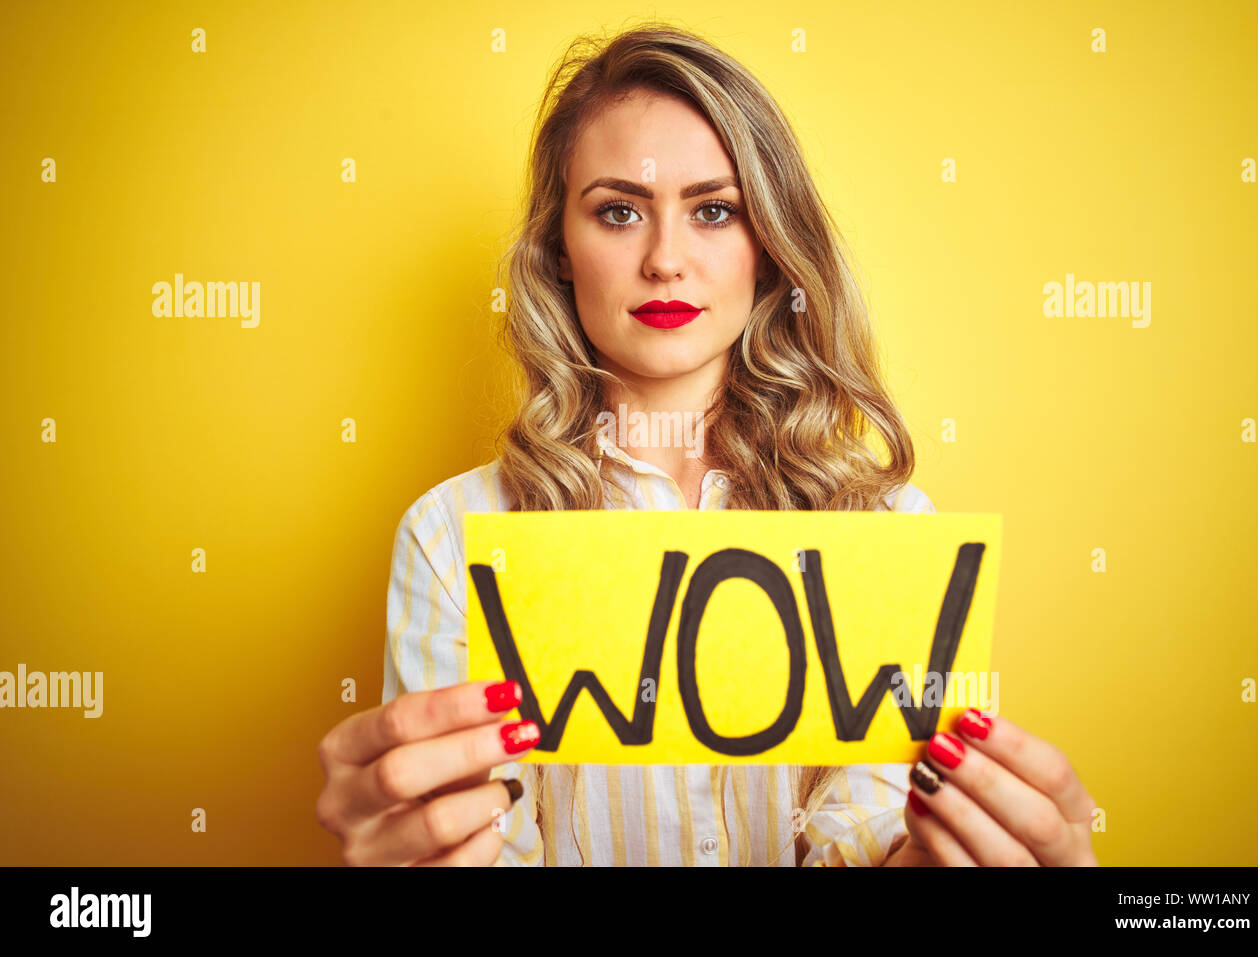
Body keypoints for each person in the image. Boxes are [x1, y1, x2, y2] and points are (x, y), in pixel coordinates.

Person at [314, 22, 1098, 866]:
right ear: (560, 252)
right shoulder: (452, 536)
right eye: (619, 212)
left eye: (713, 211)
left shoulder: (892, 532)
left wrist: (940, 855)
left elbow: (868, 833)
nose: (665, 260)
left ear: (766, 246)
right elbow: (476, 841)